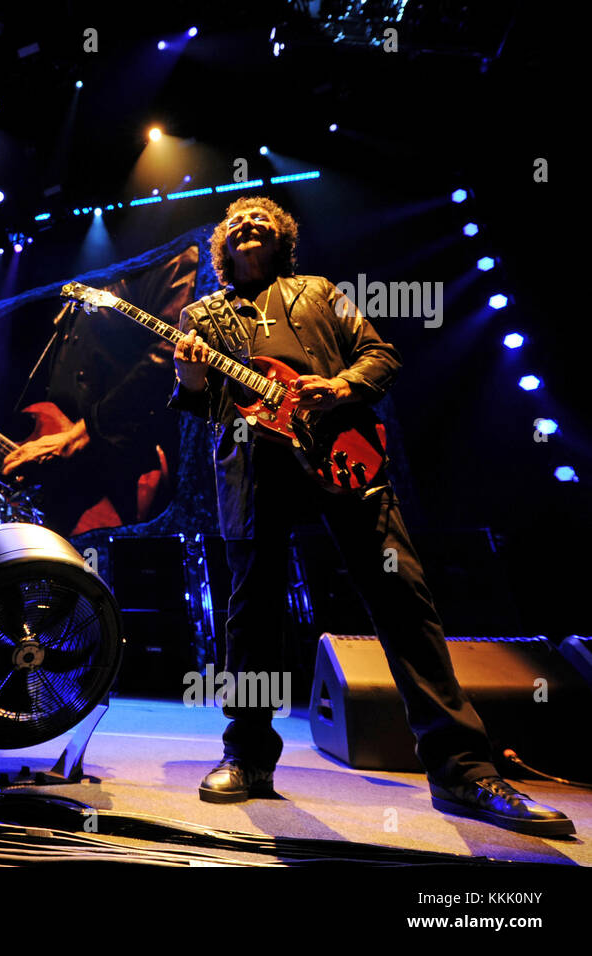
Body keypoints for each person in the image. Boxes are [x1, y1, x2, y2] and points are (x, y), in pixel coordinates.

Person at [165, 196, 571, 835]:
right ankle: (245, 755)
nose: (248, 225)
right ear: (221, 246)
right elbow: (198, 402)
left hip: (341, 454)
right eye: (236, 221)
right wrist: (190, 374)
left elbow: (380, 354)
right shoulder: (203, 315)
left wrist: (342, 387)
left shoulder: (320, 292)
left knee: (402, 598)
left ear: (283, 240)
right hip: (253, 466)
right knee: (252, 612)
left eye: (263, 220)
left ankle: (464, 769)